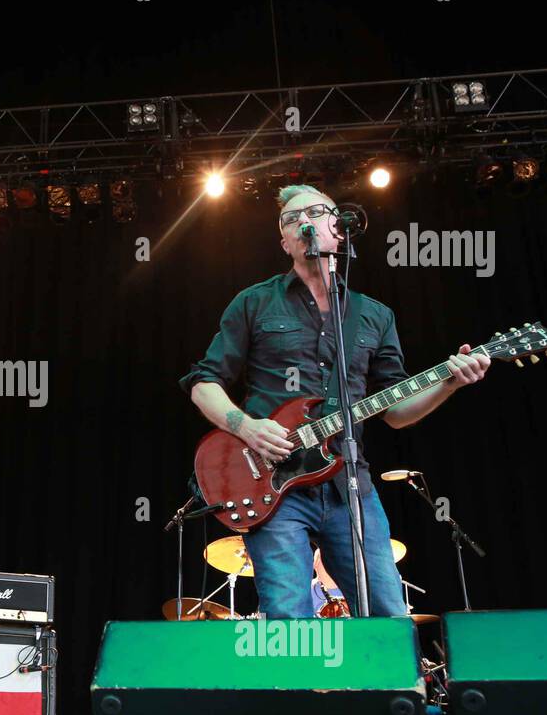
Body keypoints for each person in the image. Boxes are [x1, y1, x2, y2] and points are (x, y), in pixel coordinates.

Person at [180, 186, 489, 618]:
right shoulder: (254, 302)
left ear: (339, 231)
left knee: (386, 611)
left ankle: (388, 689)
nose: (305, 221)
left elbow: (396, 413)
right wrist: (246, 426)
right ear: (284, 241)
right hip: (274, 487)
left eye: (317, 212)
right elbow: (203, 382)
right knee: (288, 616)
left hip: (350, 485)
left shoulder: (374, 315)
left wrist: (449, 384)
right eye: (292, 218)